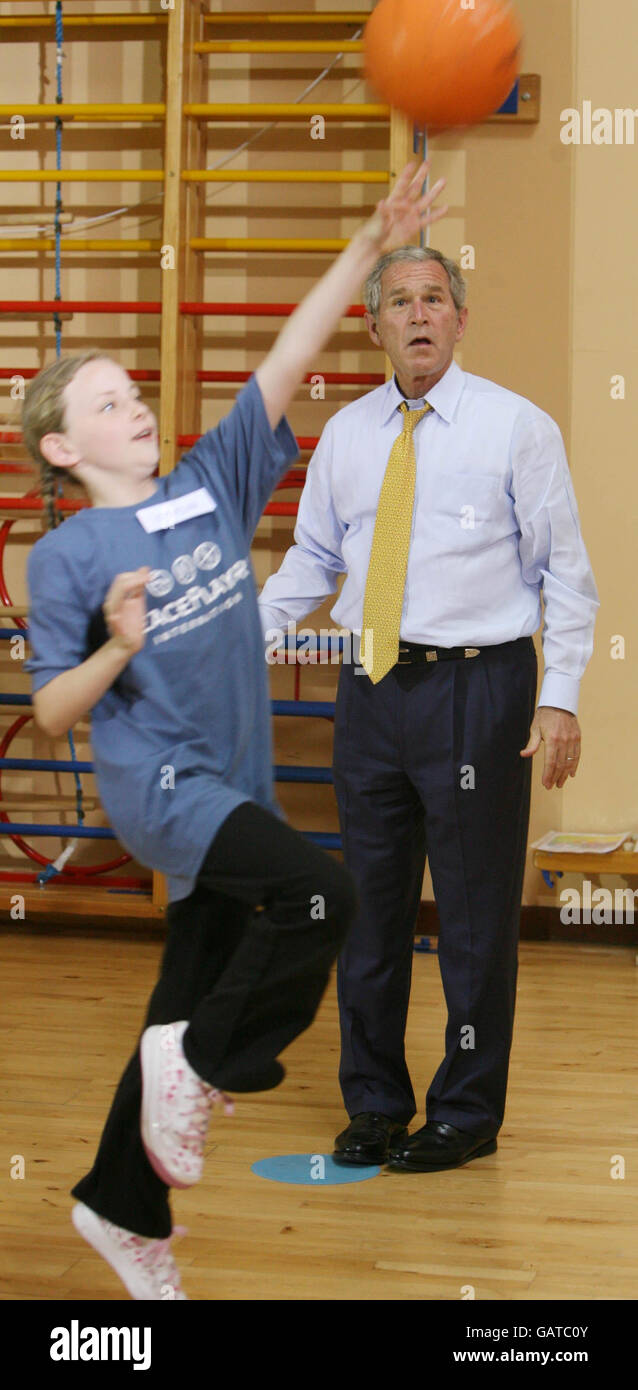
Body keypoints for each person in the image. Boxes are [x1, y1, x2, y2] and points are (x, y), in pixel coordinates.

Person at [21, 162, 448, 1299]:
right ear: (63, 450)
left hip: (234, 787)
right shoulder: (63, 557)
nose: (136, 408)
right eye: (106, 404)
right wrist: (116, 643)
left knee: (178, 1001)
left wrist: (368, 242)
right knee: (326, 897)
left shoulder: (207, 483)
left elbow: (282, 361)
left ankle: (122, 1208)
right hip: (167, 791)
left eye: (134, 391)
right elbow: (50, 710)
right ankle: (204, 1065)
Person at [258, 243, 600, 1174]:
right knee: (368, 914)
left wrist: (560, 699)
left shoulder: (516, 428)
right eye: (400, 301)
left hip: (478, 691)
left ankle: (464, 1112)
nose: (418, 314)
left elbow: (567, 580)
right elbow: (311, 563)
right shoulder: (348, 436)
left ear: (459, 318)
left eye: (434, 299)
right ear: (374, 325)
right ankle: (372, 1103)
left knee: (477, 914)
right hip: (371, 690)